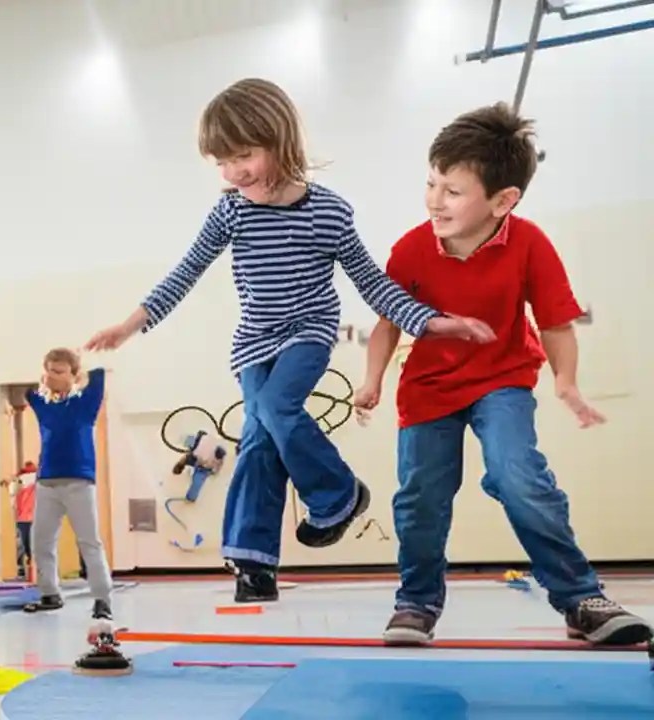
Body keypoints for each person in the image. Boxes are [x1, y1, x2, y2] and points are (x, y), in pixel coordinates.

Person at [85, 78, 497, 604]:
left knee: (276, 409)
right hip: (253, 344)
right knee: (259, 437)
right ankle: (254, 563)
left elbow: (372, 283)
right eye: (222, 162)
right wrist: (130, 324)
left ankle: (337, 494)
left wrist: (431, 322)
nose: (233, 172)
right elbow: (186, 271)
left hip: (307, 332)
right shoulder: (232, 211)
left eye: (243, 156)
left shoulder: (329, 213)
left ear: (279, 140)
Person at [353, 102, 652, 646]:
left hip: (502, 380)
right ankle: (416, 602)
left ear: (503, 200)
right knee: (421, 496)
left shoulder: (530, 243)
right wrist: (372, 380)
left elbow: (556, 323)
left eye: (452, 191)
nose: (435, 200)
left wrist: (567, 383)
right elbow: (388, 323)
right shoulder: (412, 249)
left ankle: (580, 598)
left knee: (519, 477)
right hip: (428, 390)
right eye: (431, 184)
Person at [22, 348, 113, 627]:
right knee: (41, 541)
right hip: (47, 481)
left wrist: (83, 358)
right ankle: (50, 593)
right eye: (49, 370)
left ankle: (102, 599)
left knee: (89, 541)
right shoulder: (42, 404)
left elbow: (98, 375)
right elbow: (27, 392)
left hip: (79, 481)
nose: (52, 376)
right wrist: (45, 380)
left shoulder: (85, 403)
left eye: (59, 371)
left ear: (73, 375)